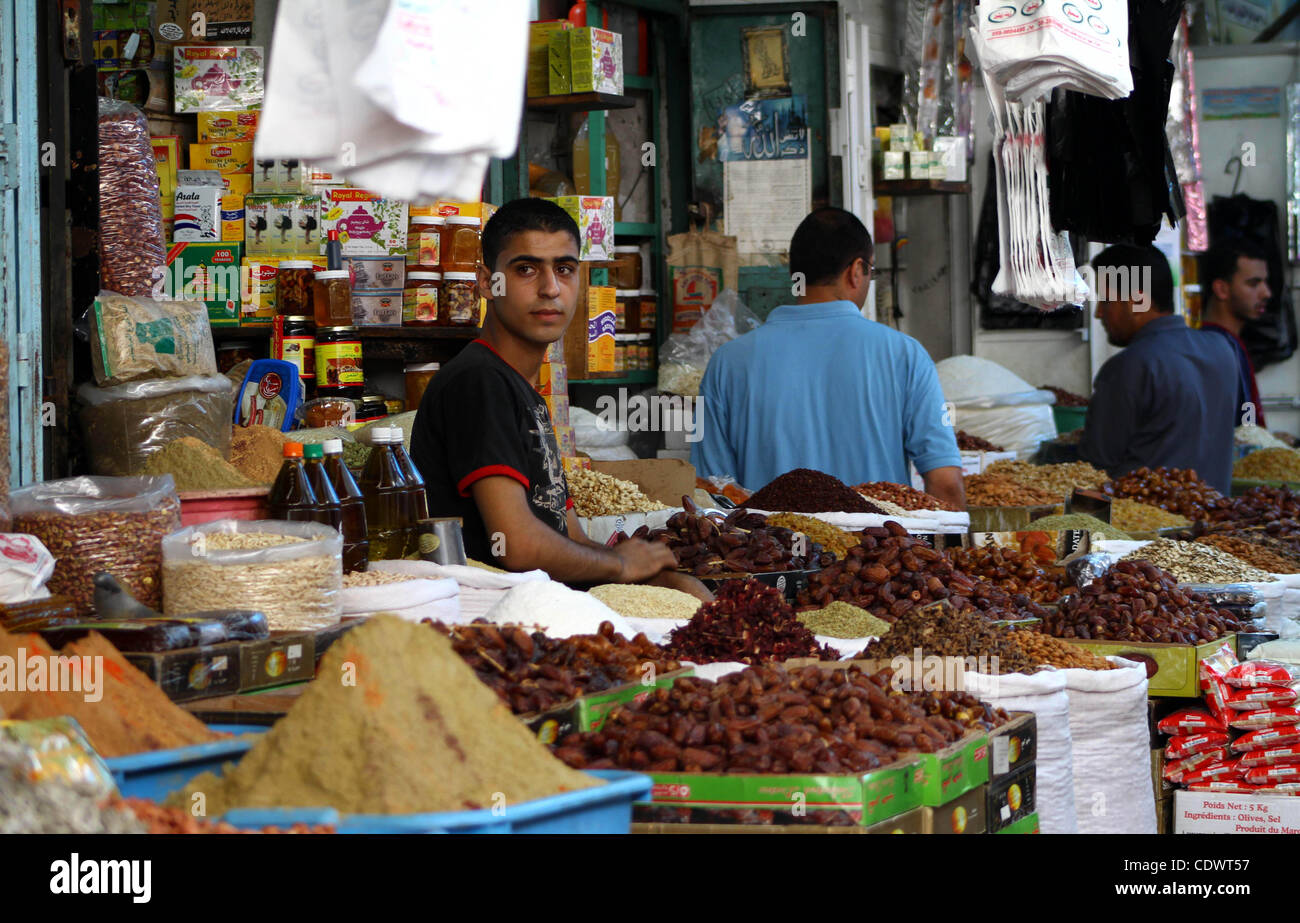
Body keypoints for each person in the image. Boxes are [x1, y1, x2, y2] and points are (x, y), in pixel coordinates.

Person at [410, 198, 710, 600]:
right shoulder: (480, 382)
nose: (550, 288)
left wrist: (649, 574)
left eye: (564, 269)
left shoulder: (522, 388)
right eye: (526, 269)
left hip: (541, 603)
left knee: (686, 593)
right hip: (493, 617)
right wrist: (620, 564)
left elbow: (567, 534)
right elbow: (515, 544)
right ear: (486, 282)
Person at [690, 207, 965, 509]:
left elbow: (710, 492)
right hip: (879, 552)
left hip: (769, 552)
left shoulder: (726, 364)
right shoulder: (905, 355)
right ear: (856, 271)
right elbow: (945, 483)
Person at [1079, 244, 1237, 493]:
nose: (1099, 313)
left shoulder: (1129, 366)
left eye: (1106, 300)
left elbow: (1095, 469)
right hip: (1216, 519)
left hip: (1142, 526)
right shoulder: (1223, 349)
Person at [1200, 239, 1272, 429]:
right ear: (1222, 289)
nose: (1266, 293)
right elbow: (1245, 430)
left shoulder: (1225, 341)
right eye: (1253, 283)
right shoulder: (1221, 346)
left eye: (1265, 282)